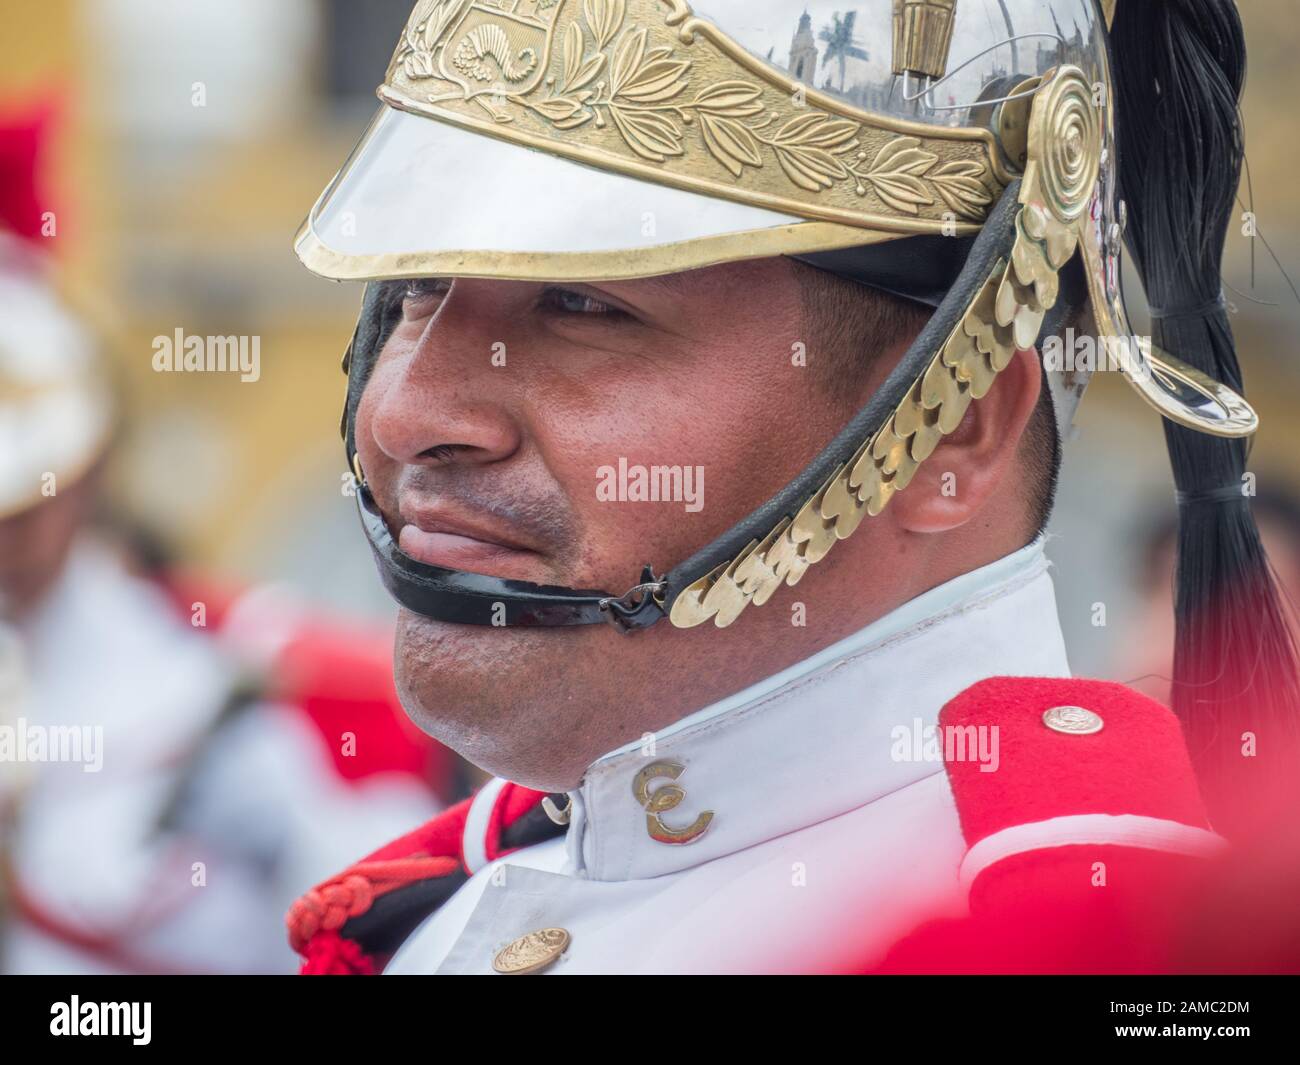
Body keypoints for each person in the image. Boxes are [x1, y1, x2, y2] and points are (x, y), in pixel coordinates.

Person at [285, 0, 1300, 974]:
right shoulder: (424, 914)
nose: (403, 417)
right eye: (418, 290)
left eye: (581, 305)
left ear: (949, 428)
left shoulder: (1081, 935)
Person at [0, 147, 447, 971]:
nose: (12, 536)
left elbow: (393, 923)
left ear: (90, 467)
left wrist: (296, 834)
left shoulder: (227, 666)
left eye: (29, 502)